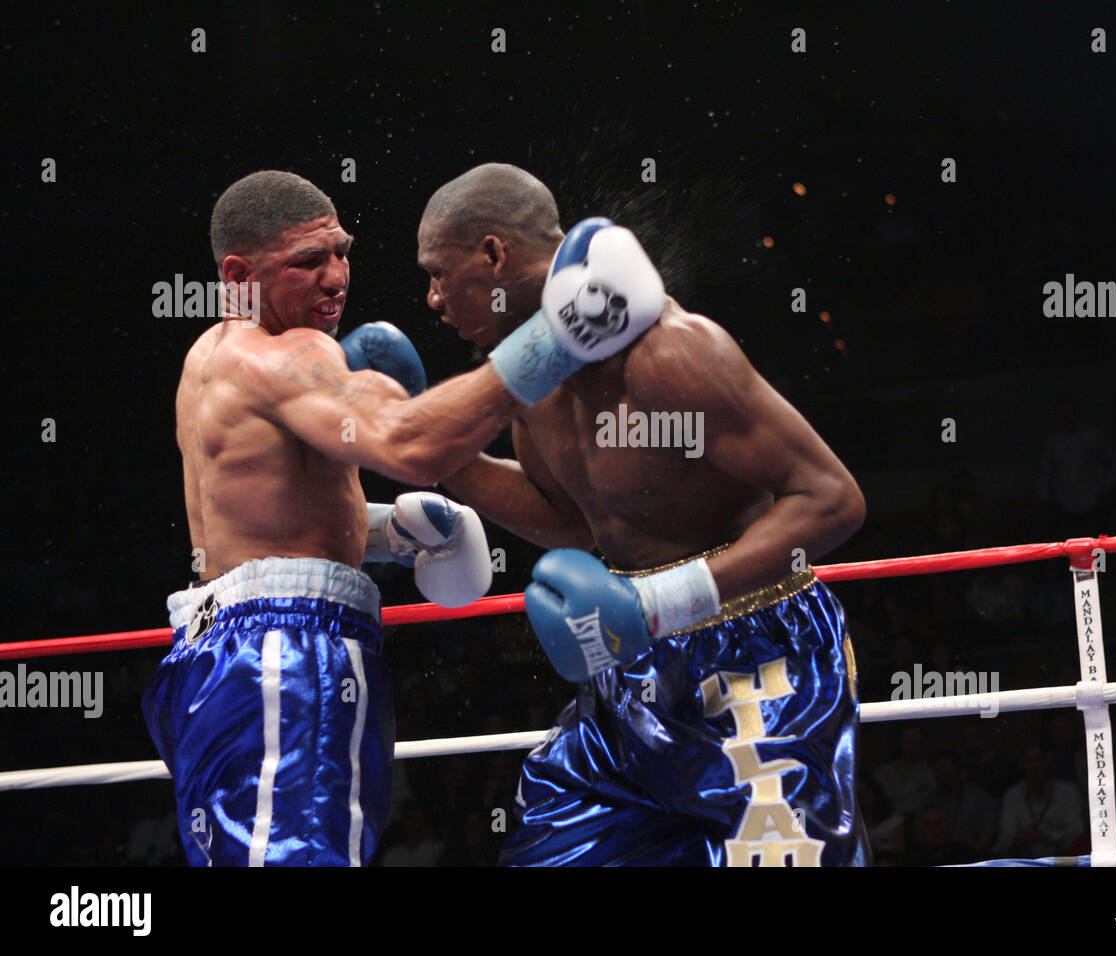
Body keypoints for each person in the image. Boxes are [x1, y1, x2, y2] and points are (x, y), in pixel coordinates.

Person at [143, 169, 659, 866]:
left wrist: (389, 532)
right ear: (238, 273)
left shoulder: (207, 358)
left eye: (341, 251)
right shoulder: (292, 354)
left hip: (216, 657)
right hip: (288, 658)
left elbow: (260, 525)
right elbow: (411, 446)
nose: (336, 277)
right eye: (307, 261)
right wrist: (562, 337)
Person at [426, 163, 869, 866]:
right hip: (631, 669)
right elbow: (578, 522)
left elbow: (832, 499)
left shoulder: (672, 354)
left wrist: (660, 600)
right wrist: (441, 459)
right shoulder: (528, 386)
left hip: (758, 656)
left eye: (439, 273)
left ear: (492, 256)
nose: (433, 299)